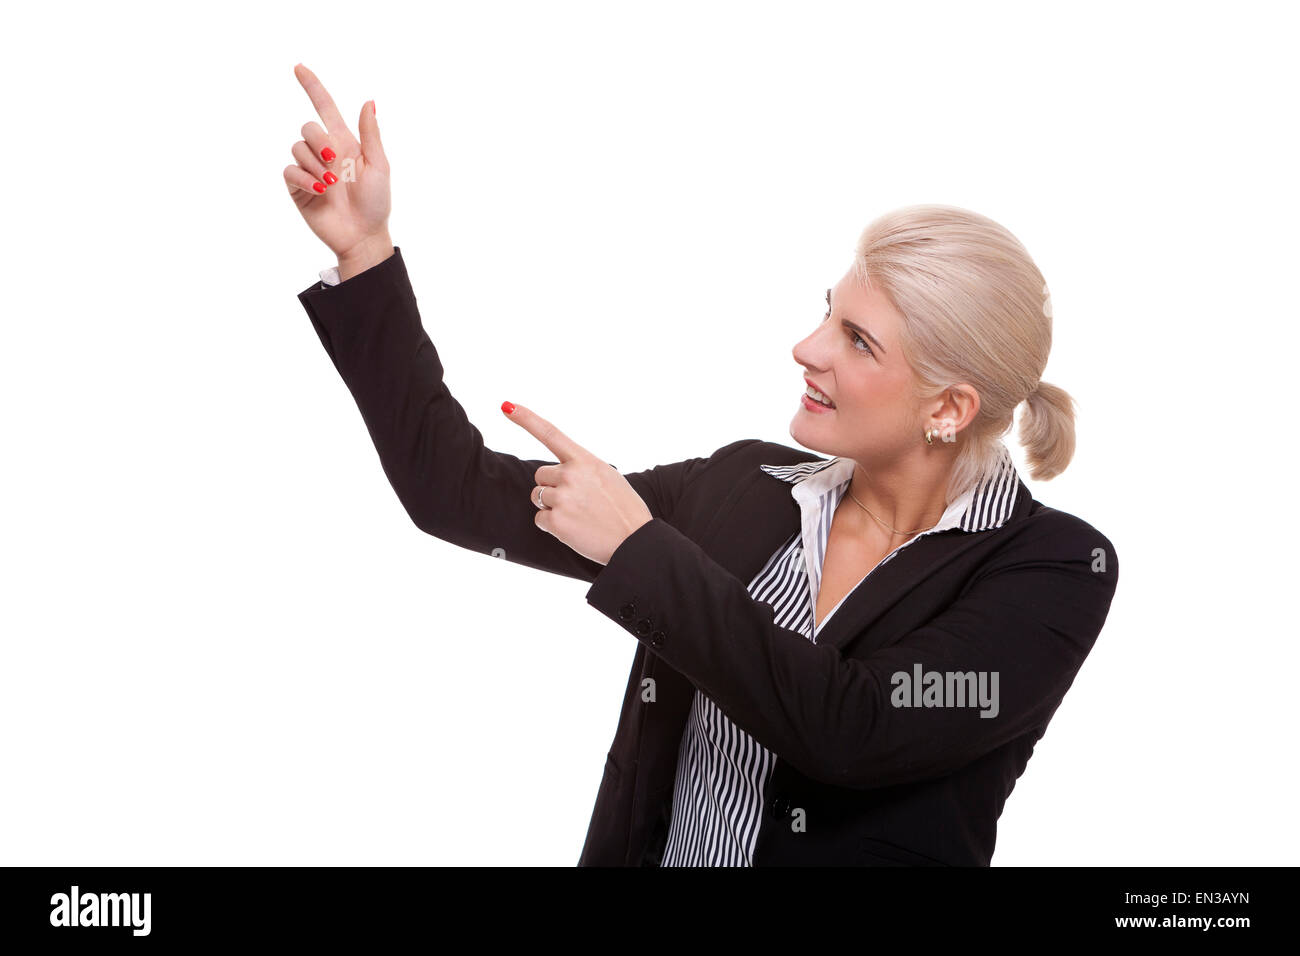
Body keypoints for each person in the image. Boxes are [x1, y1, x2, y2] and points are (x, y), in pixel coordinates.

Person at [284, 64, 1119, 866]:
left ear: (949, 407)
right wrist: (366, 251)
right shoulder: (740, 487)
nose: (806, 349)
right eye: (828, 314)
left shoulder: (1051, 569)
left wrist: (641, 550)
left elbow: (851, 728)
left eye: (857, 341)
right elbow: (453, 494)